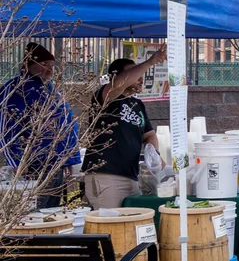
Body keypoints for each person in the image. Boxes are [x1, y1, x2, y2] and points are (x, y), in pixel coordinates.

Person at [0, 43, 80, 208]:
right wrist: (16, 162)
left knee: (51, 214)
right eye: (44, 65)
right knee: (34, 213)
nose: (49, 70)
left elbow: (65, 122)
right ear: (28, 64)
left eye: (51, 66)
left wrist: (69, 158)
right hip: (34, 165)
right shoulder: (16, 88)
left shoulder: (50, 89)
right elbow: (5, 128)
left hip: (55, 164)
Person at [84, 51, 166, 210]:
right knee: (110, 228)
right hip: (107, 177)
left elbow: (149, 135)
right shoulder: (104, 98)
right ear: (118, 77)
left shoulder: (137, 104)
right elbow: (117, 86)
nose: (141, 76)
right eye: (135, 72)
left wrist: (153, 153)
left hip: (131, 176)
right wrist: (149, 62)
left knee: (128, 228)